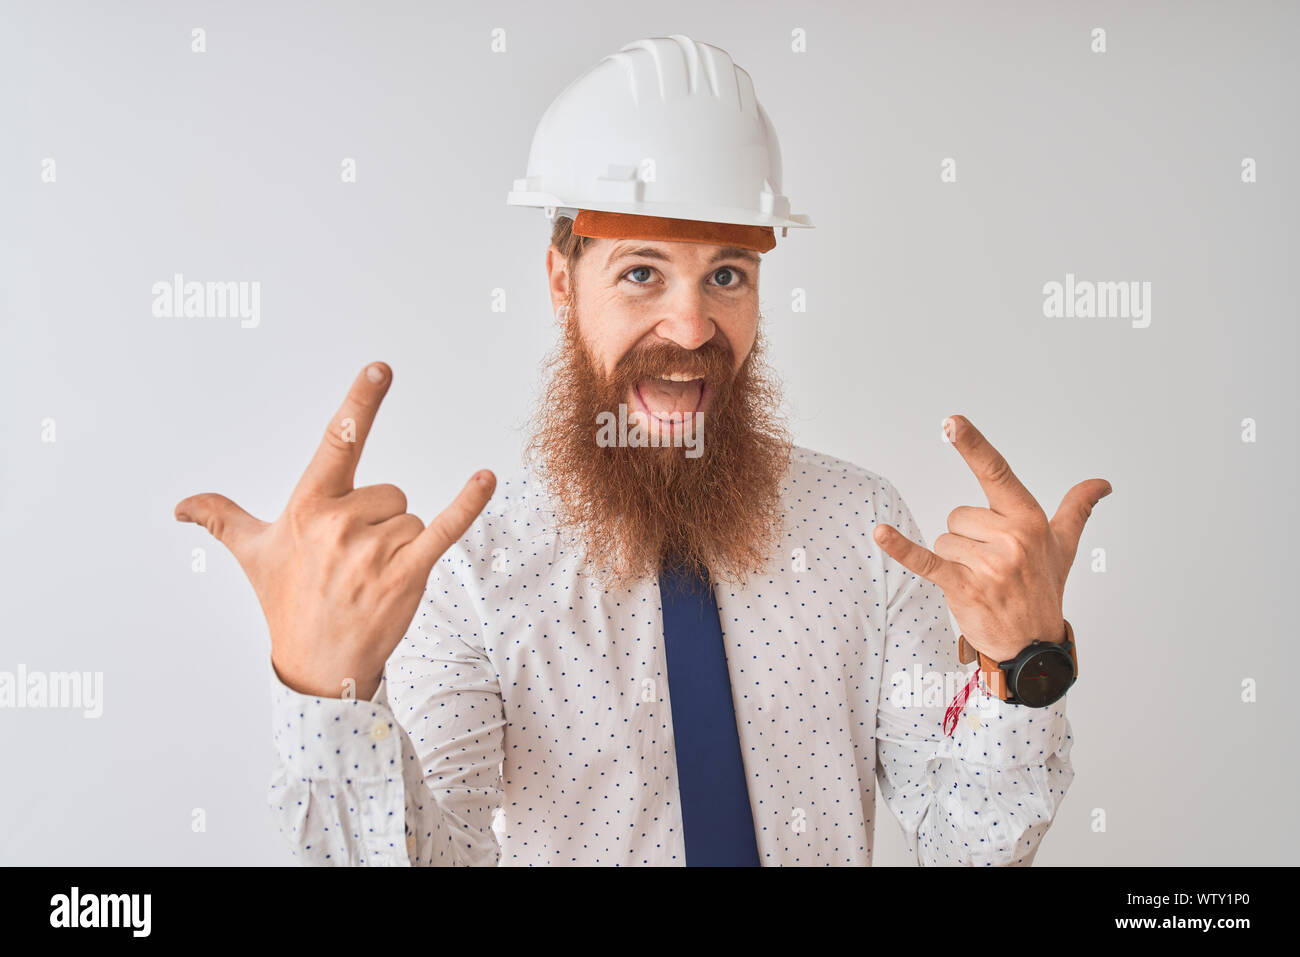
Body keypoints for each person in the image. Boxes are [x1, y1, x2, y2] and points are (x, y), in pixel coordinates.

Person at [175, 35, 1109, 866]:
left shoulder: (865, 531)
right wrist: (328, 694)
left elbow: (970, 845)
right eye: (641, 272)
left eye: (728, 275)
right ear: (559, 281)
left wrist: (1023, 671)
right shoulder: (465, 572)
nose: (693, 322)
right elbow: (437, 858)